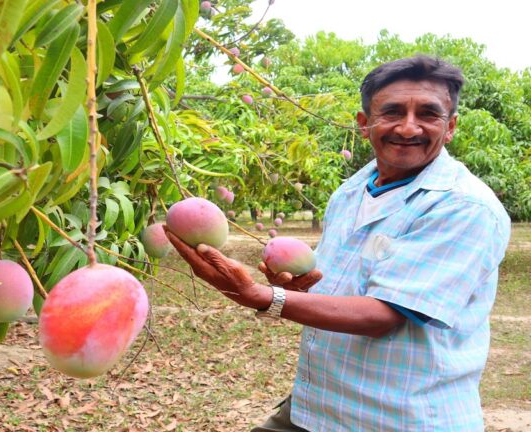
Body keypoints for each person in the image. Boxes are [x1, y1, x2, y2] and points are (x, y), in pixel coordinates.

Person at [163, 55, 511, 431]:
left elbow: (384, 317)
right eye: (392, 112)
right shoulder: (352, 190)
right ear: (364, 124)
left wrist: (261, 296)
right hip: (319, 406)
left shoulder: (464, 206)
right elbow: (342, 288)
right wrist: (298, 289)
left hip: (398, 419)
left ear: (451, 126)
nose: (409, 128)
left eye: (428, 114)